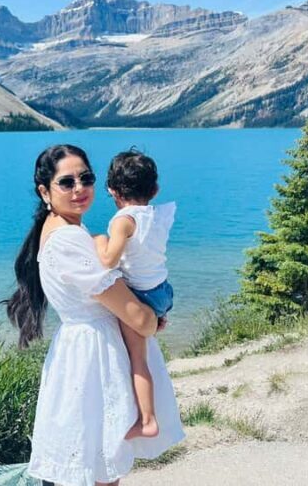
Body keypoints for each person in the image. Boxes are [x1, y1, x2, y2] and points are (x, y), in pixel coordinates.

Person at [5, 144, 184, 486]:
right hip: (94, 359)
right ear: (45, 191)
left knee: (96, 467)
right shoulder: (69, 240)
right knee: (99, 471)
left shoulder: (63, 230)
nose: (79, 189)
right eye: (66, 182)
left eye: (85, 178)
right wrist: (151, 318)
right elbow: (138, 318)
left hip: (86, 352)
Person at [93, 150, 175, 440]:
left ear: (112, 191)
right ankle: (157, 320)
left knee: (137, 360)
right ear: (154, 190)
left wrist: (98, 241)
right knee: (144, 343)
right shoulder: (156, 215)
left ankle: (147, 420)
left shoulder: (123, 221)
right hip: (163, 291)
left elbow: (110, 260)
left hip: (142, 295)